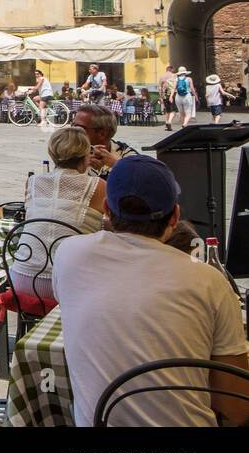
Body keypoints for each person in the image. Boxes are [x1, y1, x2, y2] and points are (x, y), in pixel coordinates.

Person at [52, 155, 249, 427]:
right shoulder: (209, 281)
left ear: (107, 210)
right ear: (175, 216)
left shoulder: (68, 254)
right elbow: (237, 407)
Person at [12, 127, 107, 301]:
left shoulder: (33, 182)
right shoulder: (98, 186)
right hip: (69, 284)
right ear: (87, 154)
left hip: (23, 277)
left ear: (51, 152)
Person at [73, 103, 137, 179]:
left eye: (79, 128)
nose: (72, 131)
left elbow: (141, 182)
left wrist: (115, 165)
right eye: (73, 125)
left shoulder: (125, 154)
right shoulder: (71, 153)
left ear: (102, 134)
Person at [160, 65, 178, 131]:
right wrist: (171, 96)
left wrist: (161, 97)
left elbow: (160, 87)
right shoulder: (174, 75)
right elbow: (174, 87)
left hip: (164, 94)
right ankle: (169, 122)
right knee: (174, 111)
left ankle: (166, 125)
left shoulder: (162, 76)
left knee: (167, 111)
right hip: (171, 94)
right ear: (172, 69)